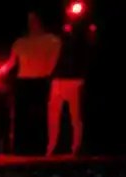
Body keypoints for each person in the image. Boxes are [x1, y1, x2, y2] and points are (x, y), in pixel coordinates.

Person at [1, 11, 62, 155]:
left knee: (39, 115)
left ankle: (38, 148)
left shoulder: (52, 41)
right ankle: (21, 148)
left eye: (34, 20)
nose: (32, 24)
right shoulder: (20, 42)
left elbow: (53, 62)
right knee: (21, 116)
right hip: (23, 81)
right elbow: (11, 63)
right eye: (29, 21)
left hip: (40, 81)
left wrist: (46, 74)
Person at [49, 6, 97, 155]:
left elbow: (88, 49)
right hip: (58, 78)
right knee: (53, 115)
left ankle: (76, 147)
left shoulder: (83, 33)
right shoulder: (62, 33)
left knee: (75, 115)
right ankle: (51, 146)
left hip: (74, 79)